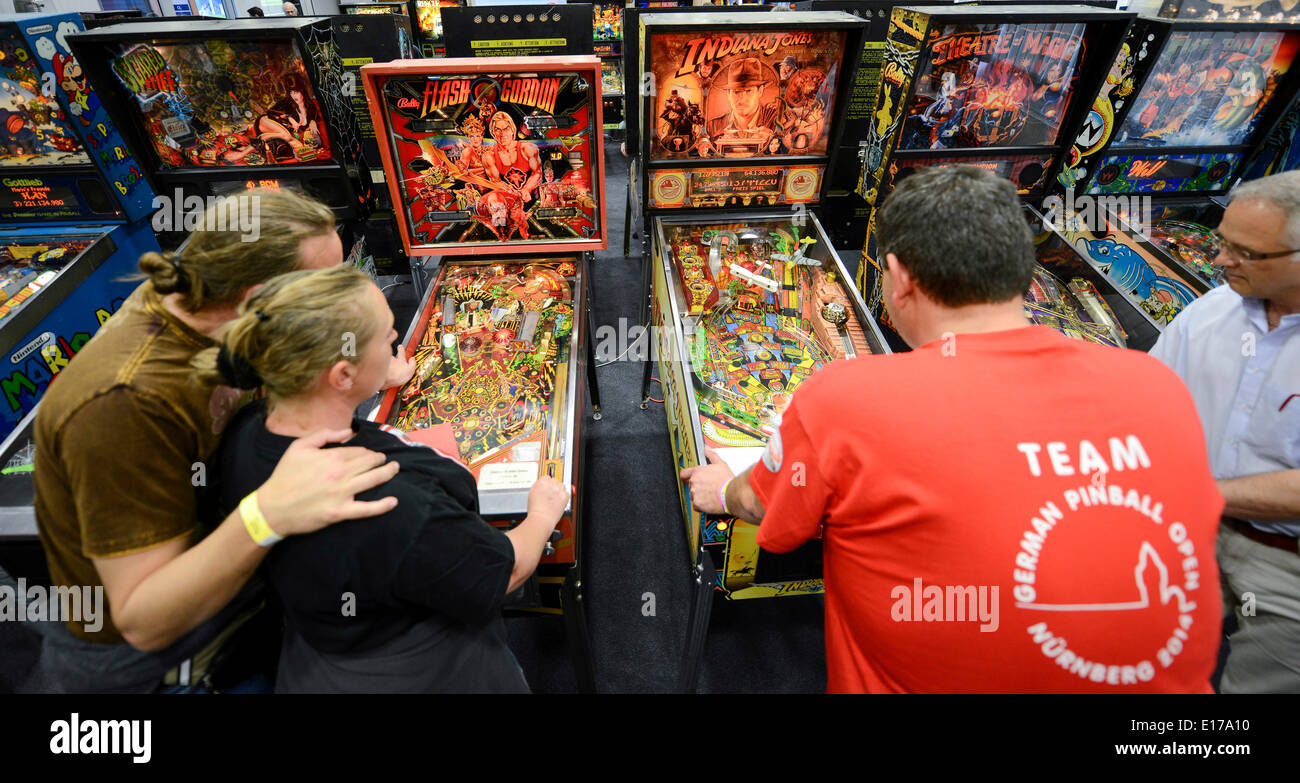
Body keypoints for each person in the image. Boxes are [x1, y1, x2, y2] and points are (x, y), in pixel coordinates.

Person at [680, 165, 1224, 693]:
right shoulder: (1157, 385)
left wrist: (722, 488)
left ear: (899, 278)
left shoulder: (847, 399)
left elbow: (766, 509)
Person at [33, 189, 414, 693]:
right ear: (257, 297)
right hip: (165, 663)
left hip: (248, 594)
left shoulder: (215, 308)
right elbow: (143, 618)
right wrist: (268, 513)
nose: (340, 301)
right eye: (324, 290)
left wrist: (362, 364)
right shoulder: (123, 403)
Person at [203, 265, 568, 692]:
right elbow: (506, 571)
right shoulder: (393, 504)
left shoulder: (250, 429)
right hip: (424, 671)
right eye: (386, 336)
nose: (397, 339)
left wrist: (375, 375)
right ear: (341, 374)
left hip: (316, 653)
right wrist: (543, 512)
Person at [1147, 170, 1300, 693]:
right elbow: (1147, 400)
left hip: (1286, 571)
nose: (1219, 262)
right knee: (1160, 673)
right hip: (1188, 538)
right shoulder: (1214, 310)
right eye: (1221, 243)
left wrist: (1198, 494)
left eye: (1246, 253)